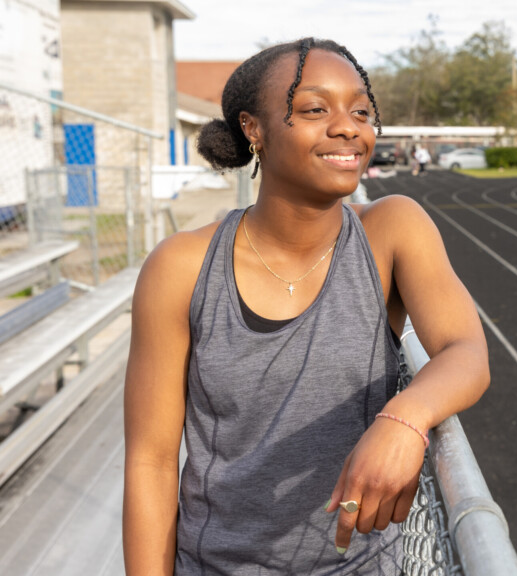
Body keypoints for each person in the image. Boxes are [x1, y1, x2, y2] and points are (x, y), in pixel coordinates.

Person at [123, 38, 490, 576]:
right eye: (315, 109)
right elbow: (150, 462)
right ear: (254, 130)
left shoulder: (392, 229)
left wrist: (404, 418)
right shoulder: (181, 266)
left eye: (361, 110)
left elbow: (467, 351)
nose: (349, 127)